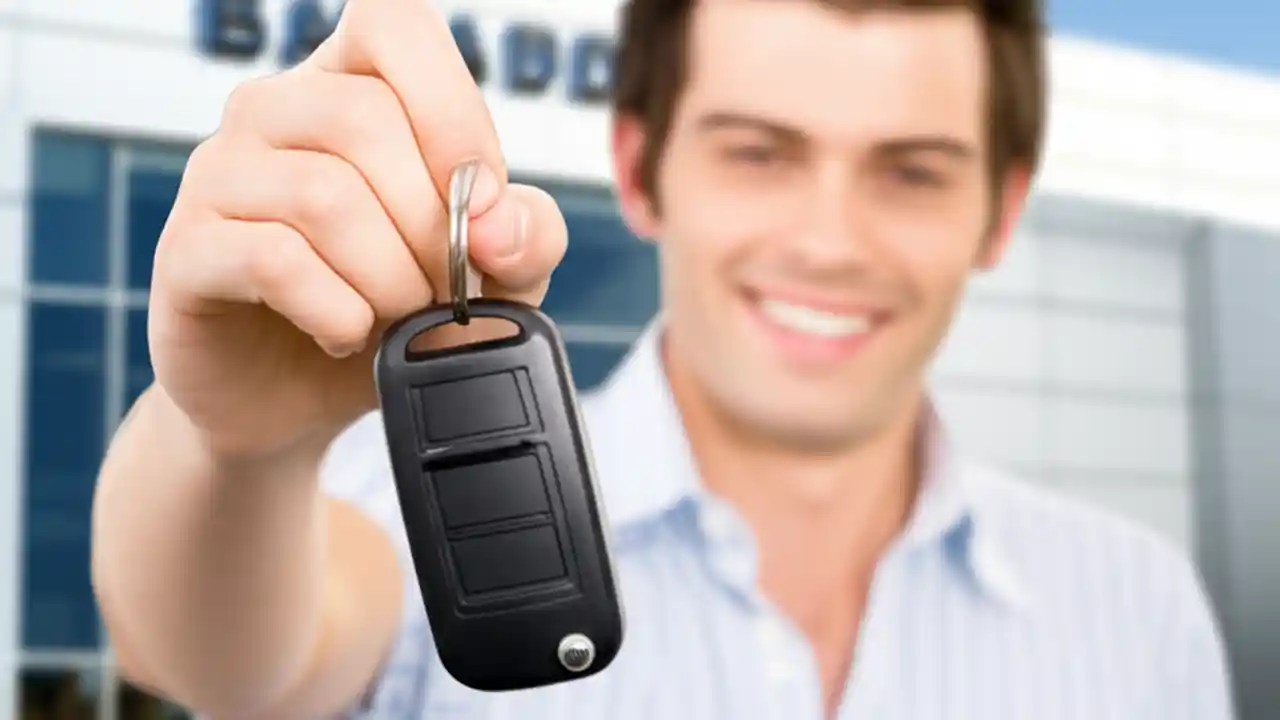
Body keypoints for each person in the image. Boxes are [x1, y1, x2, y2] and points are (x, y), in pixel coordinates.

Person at [89, 0, 1235, 717]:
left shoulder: (1139, 606)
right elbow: (220, 667)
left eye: (913, 170)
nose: (828, 241)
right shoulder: (403, 498)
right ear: (638, 170)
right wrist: (238, 452)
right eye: (758, 154)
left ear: (998, 213)